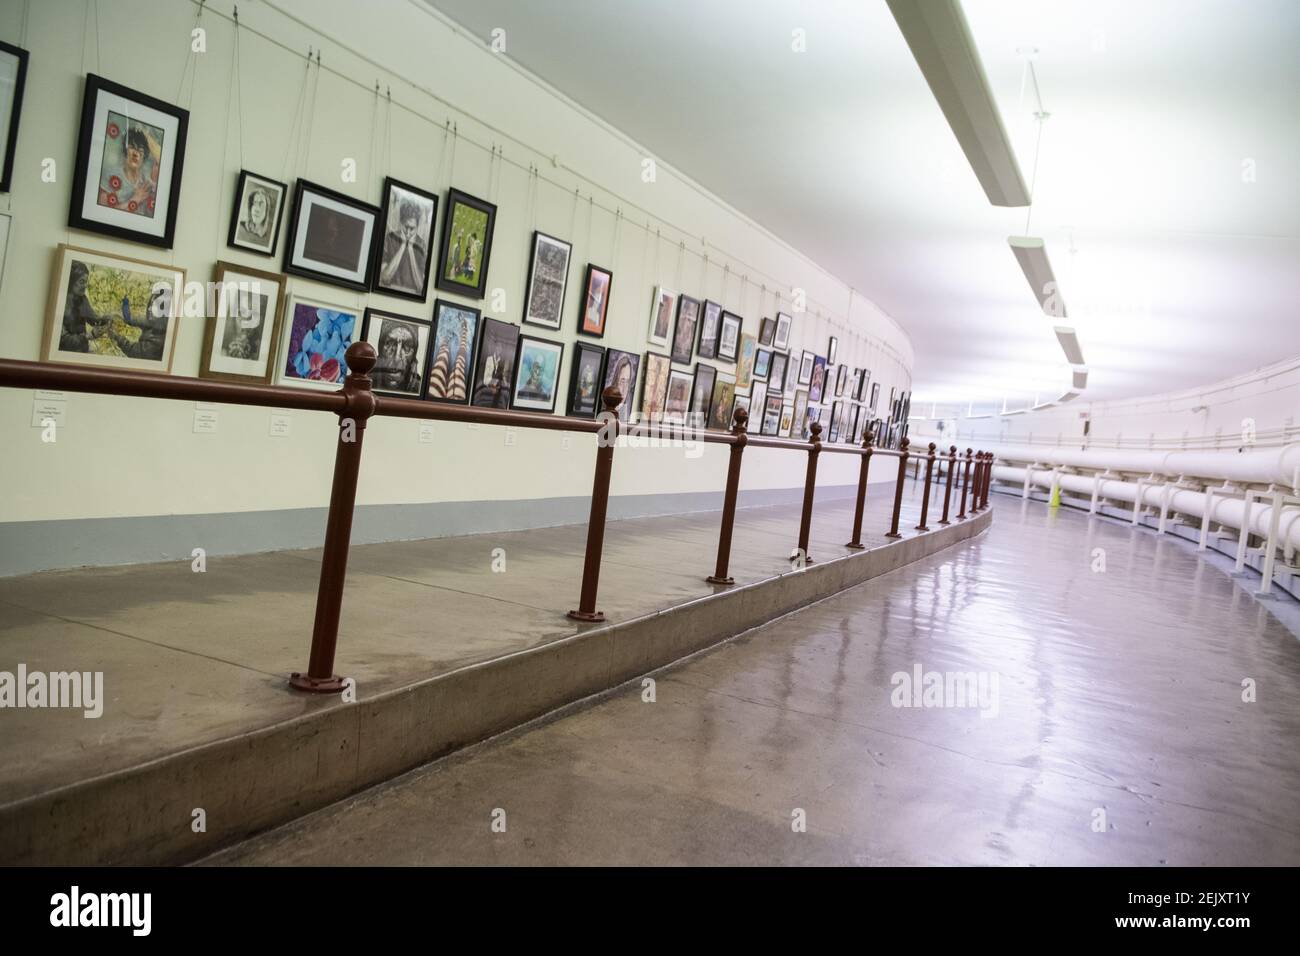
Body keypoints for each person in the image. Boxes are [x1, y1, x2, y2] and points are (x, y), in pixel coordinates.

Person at [98, 122, 161, 217]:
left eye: (140, 151)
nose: (135, 154)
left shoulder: (146, 182)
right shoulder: (110, 176)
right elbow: (101, 213)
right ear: (125, 151)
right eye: (132, 148)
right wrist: (135, 199)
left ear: (144, 158)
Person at [60, 262, 113, 352]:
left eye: (86, 282)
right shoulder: (60, 302)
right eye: (81, 282)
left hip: (82, 350)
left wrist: (106, 319)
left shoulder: (82, 299)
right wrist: (89, 335)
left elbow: (94, 319)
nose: (85, 285)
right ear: (71, 281)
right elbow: (64, 340)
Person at [378, 199, 427, 294]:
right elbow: (384, 277)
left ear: (417, 226)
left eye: (412, 228)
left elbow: (421, 286)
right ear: (401, 223)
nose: (408, 233)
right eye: (406, 227)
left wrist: (411, 249)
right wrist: (403, 245)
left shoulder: (421, 244)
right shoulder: (389, 238)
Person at [372, 321, 420, 393]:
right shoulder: (364, 383)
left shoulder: (420, 389)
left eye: (407, 347)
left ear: (413, 356)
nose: (396, 358)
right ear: (380, 349)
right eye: (389, 344)